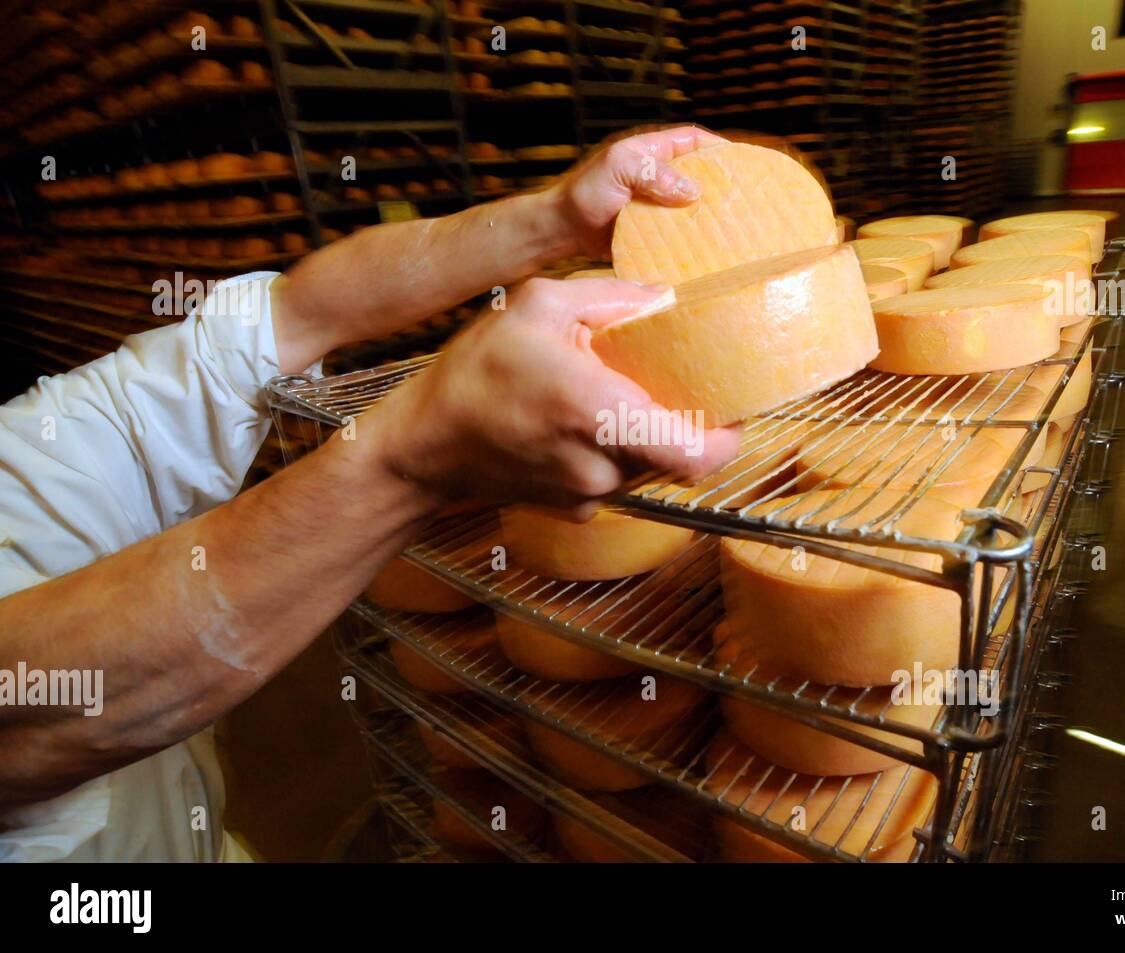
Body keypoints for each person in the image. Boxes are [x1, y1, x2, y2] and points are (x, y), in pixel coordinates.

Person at [0, 126, 741, 861]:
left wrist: (550, 217)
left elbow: (300, 310)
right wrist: (407, 457)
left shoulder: (31, 442)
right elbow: (27, 709)